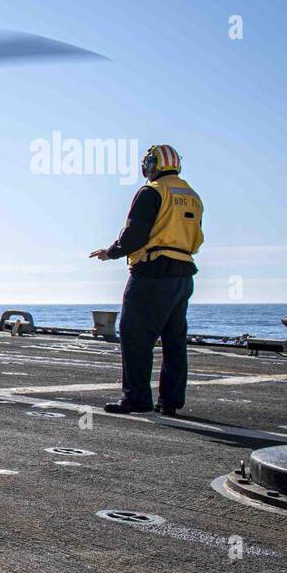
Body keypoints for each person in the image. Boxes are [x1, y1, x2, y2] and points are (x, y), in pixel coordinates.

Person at [89, 144, 203, 416]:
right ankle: (171, 401)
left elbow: (135, 233)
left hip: (152, 272)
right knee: (174, 340)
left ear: (154, 165)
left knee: (135, 335)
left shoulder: (152, 192)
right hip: (184, 273)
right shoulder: (192, 196)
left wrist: (112, 252)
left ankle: (137, 398)